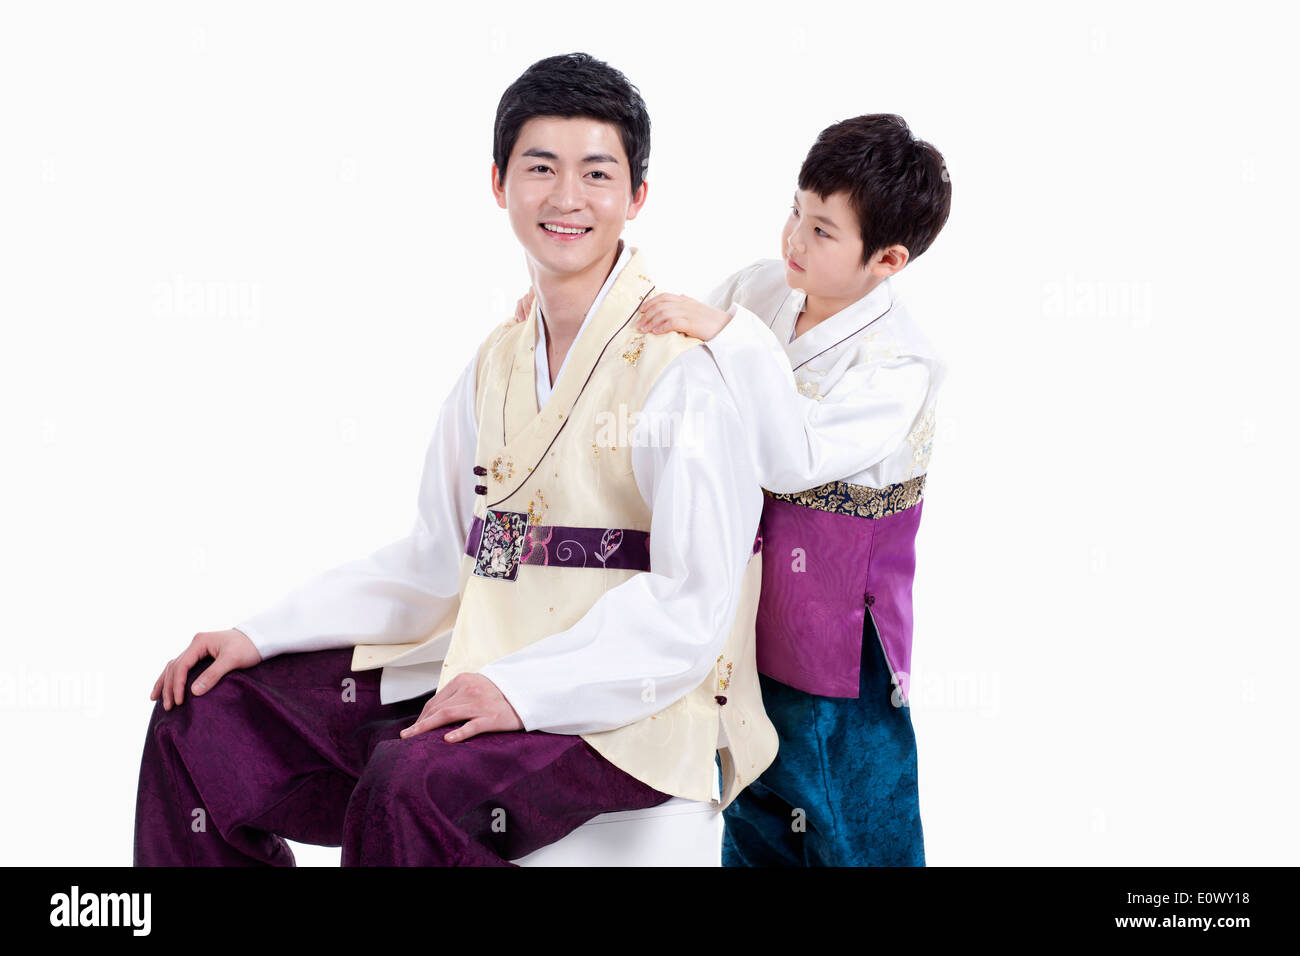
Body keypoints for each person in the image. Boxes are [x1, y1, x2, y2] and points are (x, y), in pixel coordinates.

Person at [134, 51, 777, 867]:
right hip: (479, 659)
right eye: (541, 168)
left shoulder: (682, 373)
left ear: (636, 197)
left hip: (626, 708)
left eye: (596, 173)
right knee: (201, 715)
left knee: (410, 781)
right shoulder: (499, 362)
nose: (567, 198)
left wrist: (518, 692)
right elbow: (438, 561)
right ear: (501, 183)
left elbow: (690, 611)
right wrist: (258, 635)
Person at [524, 113, 952, 865]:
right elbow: (670, 335)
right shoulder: (766, 288)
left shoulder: (899, 363)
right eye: (796, 210)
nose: (793, 239)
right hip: (744, 588)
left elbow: (795, 457)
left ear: (887, 259)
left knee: (843, 802)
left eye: (822, 231)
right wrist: (572, 317)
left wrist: (728, 335)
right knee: (752, 787)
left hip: (834, 615)